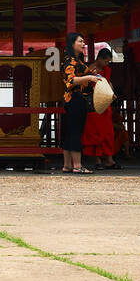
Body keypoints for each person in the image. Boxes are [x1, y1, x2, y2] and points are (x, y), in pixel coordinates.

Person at [60, 32, 102, 174]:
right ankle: (77, 166)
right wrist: (89, 77)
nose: (83, 44)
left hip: (72, 100)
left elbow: (82, 74)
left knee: (70, 132)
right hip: (75, 99)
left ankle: (67, 165)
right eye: (80, 41)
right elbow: (70, 81)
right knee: (76, 132)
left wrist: (90, 74)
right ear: (72, 44)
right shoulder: (70, 61)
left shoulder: (76, 60)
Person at [82, 47, 119, 169]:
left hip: (105, 104)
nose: (107, 64)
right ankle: (97, 160)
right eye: (106, 61)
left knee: (108, 132)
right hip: (93, 105)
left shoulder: (106, 69)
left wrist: (112, 93)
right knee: (95, 132)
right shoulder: (89, 70)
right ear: (100, 59)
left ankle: (109, 159)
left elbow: (108, 83)